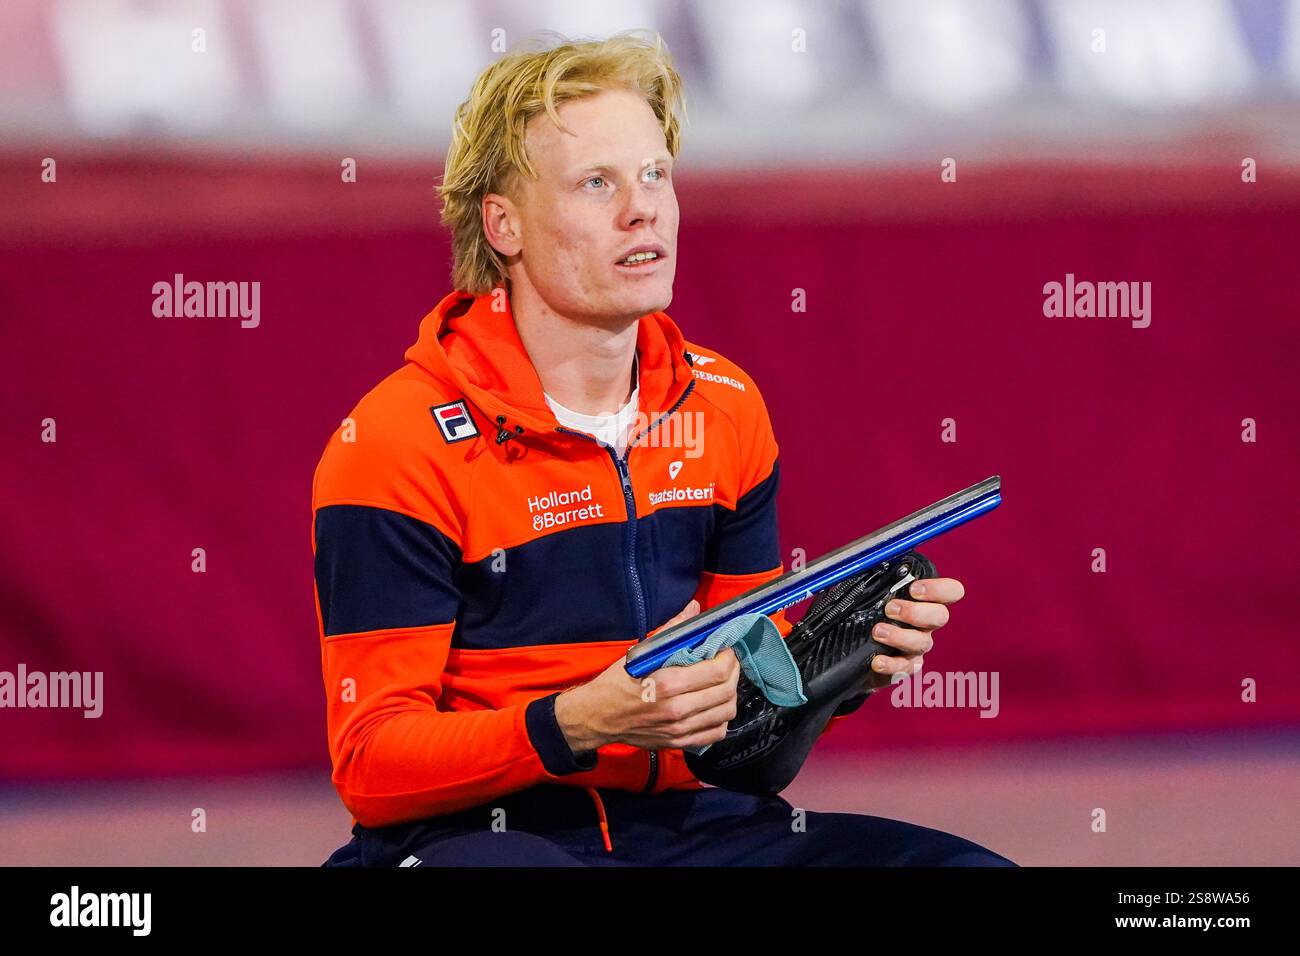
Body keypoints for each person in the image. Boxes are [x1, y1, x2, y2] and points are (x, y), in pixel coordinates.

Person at [311, 30, 1014, 867]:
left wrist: (838, 673)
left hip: (691, 833)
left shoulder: (724, 406)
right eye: (596, 183)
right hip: (481, 837)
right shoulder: (394, 442)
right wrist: (579, 722)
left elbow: (742, 751)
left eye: (654, 175)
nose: (641, 208)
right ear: (503, 224)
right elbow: (371, 764)